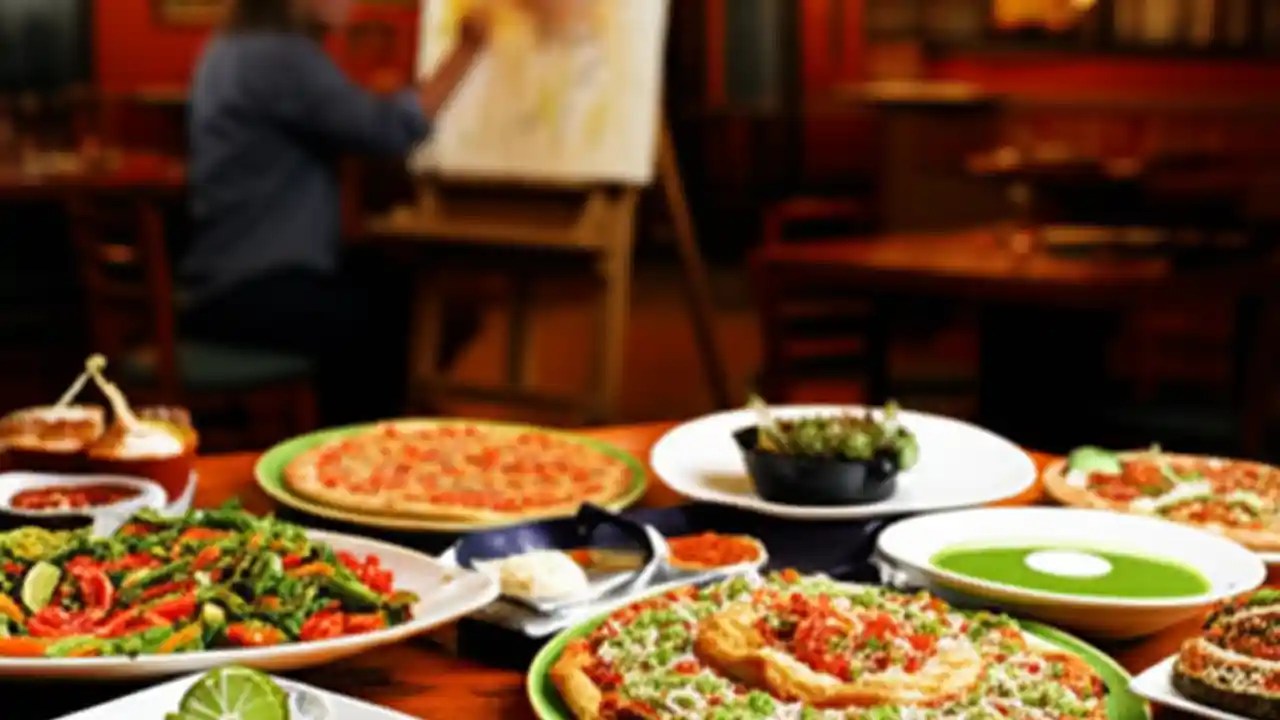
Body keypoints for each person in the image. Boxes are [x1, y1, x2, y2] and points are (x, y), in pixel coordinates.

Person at [180, 0, 485, 424]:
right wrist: (466, 49)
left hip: (221, 283)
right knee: (402, 315)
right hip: (253, 289)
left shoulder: (232, 48)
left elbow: (355, 117)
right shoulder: (280, 56)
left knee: (398, 280)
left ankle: (365, 441)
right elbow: (387, 130)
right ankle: (356, 458)